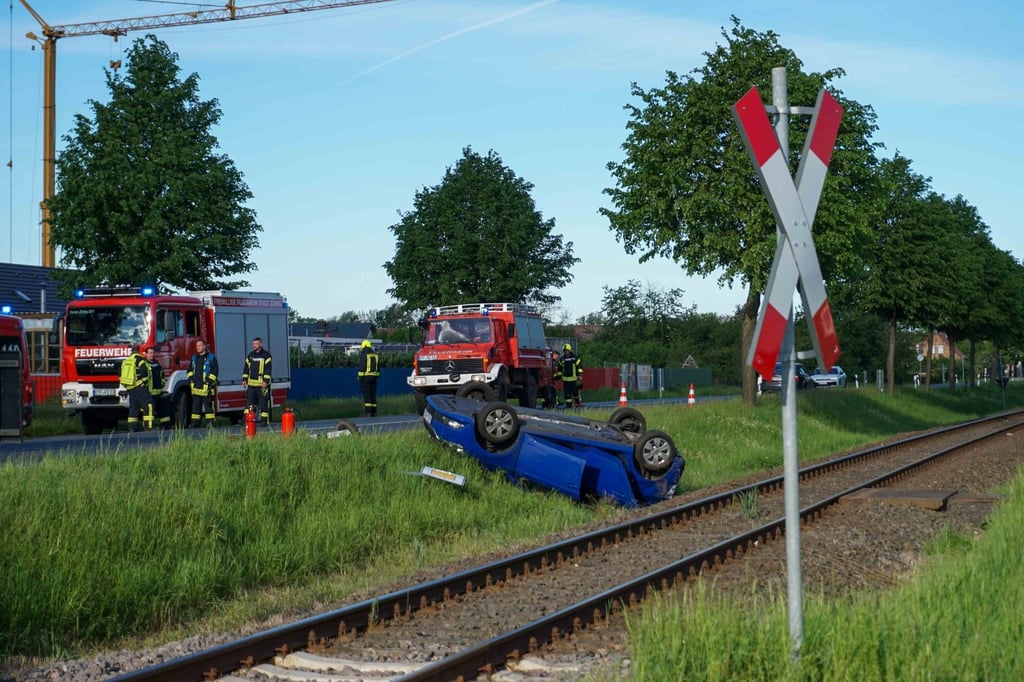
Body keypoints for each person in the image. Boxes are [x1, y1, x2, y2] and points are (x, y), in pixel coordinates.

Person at [119, 342, 153, 432]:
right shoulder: (139, 359)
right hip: (139, 387)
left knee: (134, 407)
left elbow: (120, 374)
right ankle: (148, 427)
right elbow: (144, 370)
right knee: (148, 405)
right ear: (139, 350)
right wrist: (144, 382)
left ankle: (132, 428)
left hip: (130, 388)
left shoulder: (127, 360)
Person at [188, 339, 219, 428]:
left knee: (208, 407)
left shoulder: (211, 358)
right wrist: (191, 379)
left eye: (200, 345)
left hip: (207, 388)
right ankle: (195, 422)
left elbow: (215, 372)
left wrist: (209, 382)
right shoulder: (194, 358)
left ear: (204, 346)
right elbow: (189, 370)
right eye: (197, 346)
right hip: (196, 387)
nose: (198, 347)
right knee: (195, 407)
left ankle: (210, 422)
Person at [243, 336, 273, 424]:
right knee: (249, 403)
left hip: (262, 385)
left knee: (263, 403)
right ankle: (247, 420)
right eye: (253, 344)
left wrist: (265, 382)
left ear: (261, 344)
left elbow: (268, 369)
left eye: (256, 344)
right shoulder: (250, 355)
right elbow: (246, 368)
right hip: (251, 385)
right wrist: (245, 379)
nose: (254, 345)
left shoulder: (266, 355)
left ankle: (264, 421)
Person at [145, 346, 172, 430]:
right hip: (149, 393)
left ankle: (166, 426)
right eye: (150, 353)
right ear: (146, 354)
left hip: (158, 392)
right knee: (150, 411)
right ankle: (148, 427)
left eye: (153, 353)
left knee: (163, 410)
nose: (152, 355)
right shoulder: (144, 364)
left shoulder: (157, 364)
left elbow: (162, 376)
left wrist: (162, 383)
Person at [357, 339, 380, 417]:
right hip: (374, 377)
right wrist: (376, 375)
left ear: (364, 345)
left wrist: (360, 377)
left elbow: (362, 366)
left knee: (367, 394)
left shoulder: (364, 353)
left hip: (366, 377)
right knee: (373, 394)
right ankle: (374, 412)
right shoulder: (375, 354)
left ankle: (368, 412)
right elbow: (378, 366)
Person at [555, 342, 583, 408]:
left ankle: (577, 403)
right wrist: (559, 376)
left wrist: (580, 375)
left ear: (569, 350)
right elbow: (560, 369)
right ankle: (568, 405)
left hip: (574, 379)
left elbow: (580, 366)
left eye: (566, 350)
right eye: (564, 351)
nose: (565, 352)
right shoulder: (562, 359)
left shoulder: (575, 358)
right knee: (567, 393)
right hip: (565, 380)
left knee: (575, 392)